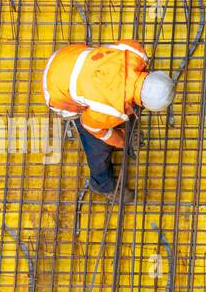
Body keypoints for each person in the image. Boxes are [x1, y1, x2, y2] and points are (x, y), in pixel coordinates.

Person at [40, 37, 174, 200]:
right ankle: (102, 185)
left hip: (68, 57)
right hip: (57, 92)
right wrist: (124, 141)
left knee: (125, 110)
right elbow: (92, 127)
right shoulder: (108, 110)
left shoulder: (136, 52)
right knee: (98, 146)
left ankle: (124, 128)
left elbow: (121, 48)